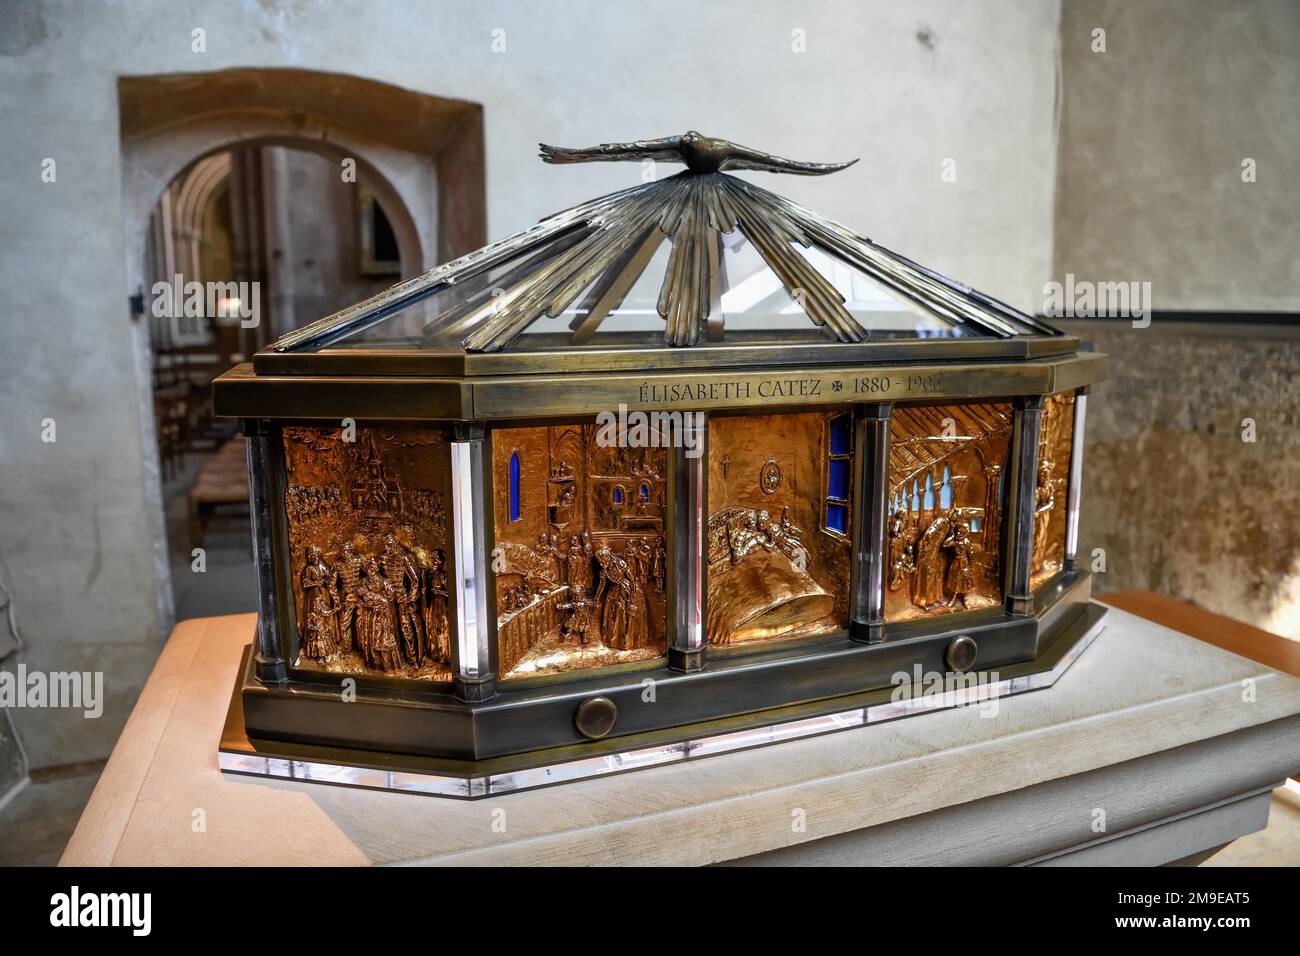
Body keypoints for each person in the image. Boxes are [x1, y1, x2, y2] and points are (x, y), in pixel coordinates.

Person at [360, 557, 401, 671]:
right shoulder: (364, 582)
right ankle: (373, 663)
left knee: (382, 637)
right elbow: (357, 596)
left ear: (377, 568)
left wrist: (379, 599)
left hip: (382, 614)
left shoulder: (383, 581)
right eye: (369, 567)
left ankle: (386, 665)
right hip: (369, 613)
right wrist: (366, 603)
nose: (370, 569)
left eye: (373, 566)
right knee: (371, 636)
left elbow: (391, 596)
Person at [333, 541, 366, 655]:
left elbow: (369, 573)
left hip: (360, 598)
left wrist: (363, 590)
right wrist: (336, 599)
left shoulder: (359, 560)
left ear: (351, 550)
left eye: (348, 550)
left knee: (360, 624)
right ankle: (347, 649)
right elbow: (331, 584)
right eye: (343, 550)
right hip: (346, 599)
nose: (345, 553)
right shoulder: (337, 565)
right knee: (344, 625)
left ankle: (363, 648)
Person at [942, 521, 974, 609]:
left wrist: (970, 566)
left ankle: (965, 598)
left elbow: (970, 555)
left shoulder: (966, 542)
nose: (959, 533)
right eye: (957, 531)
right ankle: (953, 598)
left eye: (961, 532)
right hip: (956, 562)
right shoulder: (954, 541)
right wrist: (952, 536)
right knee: (955, 580)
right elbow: (945, 544)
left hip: (964, 562)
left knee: (964, 580)